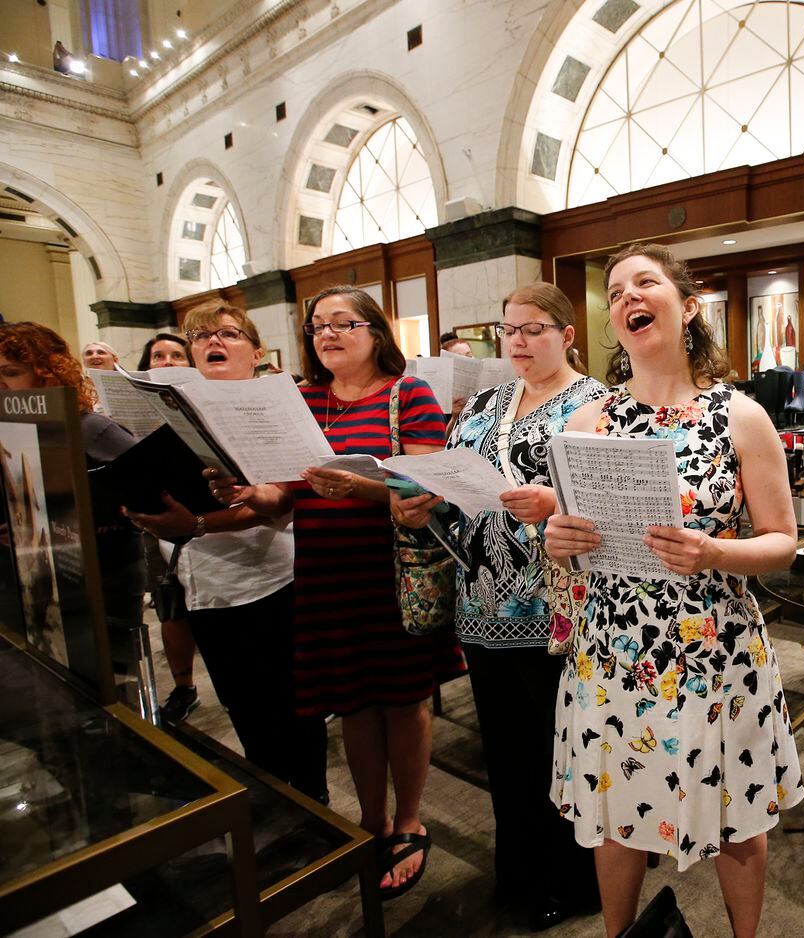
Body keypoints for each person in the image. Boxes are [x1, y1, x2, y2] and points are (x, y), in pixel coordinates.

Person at [544, 243, 804, 938]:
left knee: (736, 815)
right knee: (616, 812)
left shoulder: (739, 416)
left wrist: (714, 550)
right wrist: (560, 544)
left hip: (713, 651)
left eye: (646, 282)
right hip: (616, 651)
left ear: (687, 307)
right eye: (618, 288)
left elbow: (783, 541)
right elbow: (573, 546)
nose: (629, 295)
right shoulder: (586, 422)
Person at [208, 285, 464, 899]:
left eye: (343, 323)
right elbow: (285, 495)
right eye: (318, 325)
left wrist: (361, 487)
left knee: (402, 701)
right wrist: (250, 495)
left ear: (376, 332)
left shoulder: (409, 395)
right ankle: (370, 818)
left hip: (392, 571)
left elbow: (428, 488)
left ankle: (408, 820)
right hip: (324, 571)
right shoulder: (302, 401)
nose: (327, 334)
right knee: (351, 701)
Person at [393, 283, 605, 930]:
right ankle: (519, 872)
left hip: (555, 608)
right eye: (508, 330)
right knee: (508, 752)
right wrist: (425, 499)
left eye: (533, 329)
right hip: (481, 600)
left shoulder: (596, 404)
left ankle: (576, 881)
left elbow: (602, 503)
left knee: (560, 750)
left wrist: (553, 502)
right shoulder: (484, 403)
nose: (517, 341)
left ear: (567, 334)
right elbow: (459, 483)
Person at [123, 302, 328, 799]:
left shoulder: (278, 407)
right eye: (201, 336)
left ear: (256, 352)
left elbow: (283, 498)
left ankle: (314, 805)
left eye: (229, 334)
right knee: (242, 706)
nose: (213, 342)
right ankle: (275, 799)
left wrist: (193, 523)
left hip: (269, 577)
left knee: (291, 704)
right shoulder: (173, 412)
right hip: (206, 583)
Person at [0, 324, 145, 693]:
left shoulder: (91, 429)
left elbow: (151, 487)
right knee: (53, 687)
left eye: (11, 373)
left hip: (106, 574)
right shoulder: (9, 431)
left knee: (115, 686)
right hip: (37, 579)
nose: (1, 384)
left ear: (48, 371)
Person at [130, 331, 203, 722]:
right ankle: (184, 686)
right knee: (171, 608)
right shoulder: (131, 412)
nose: (168, 362)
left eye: (177, 355)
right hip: (159, 525)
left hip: (207, 523)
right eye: (158, 356)